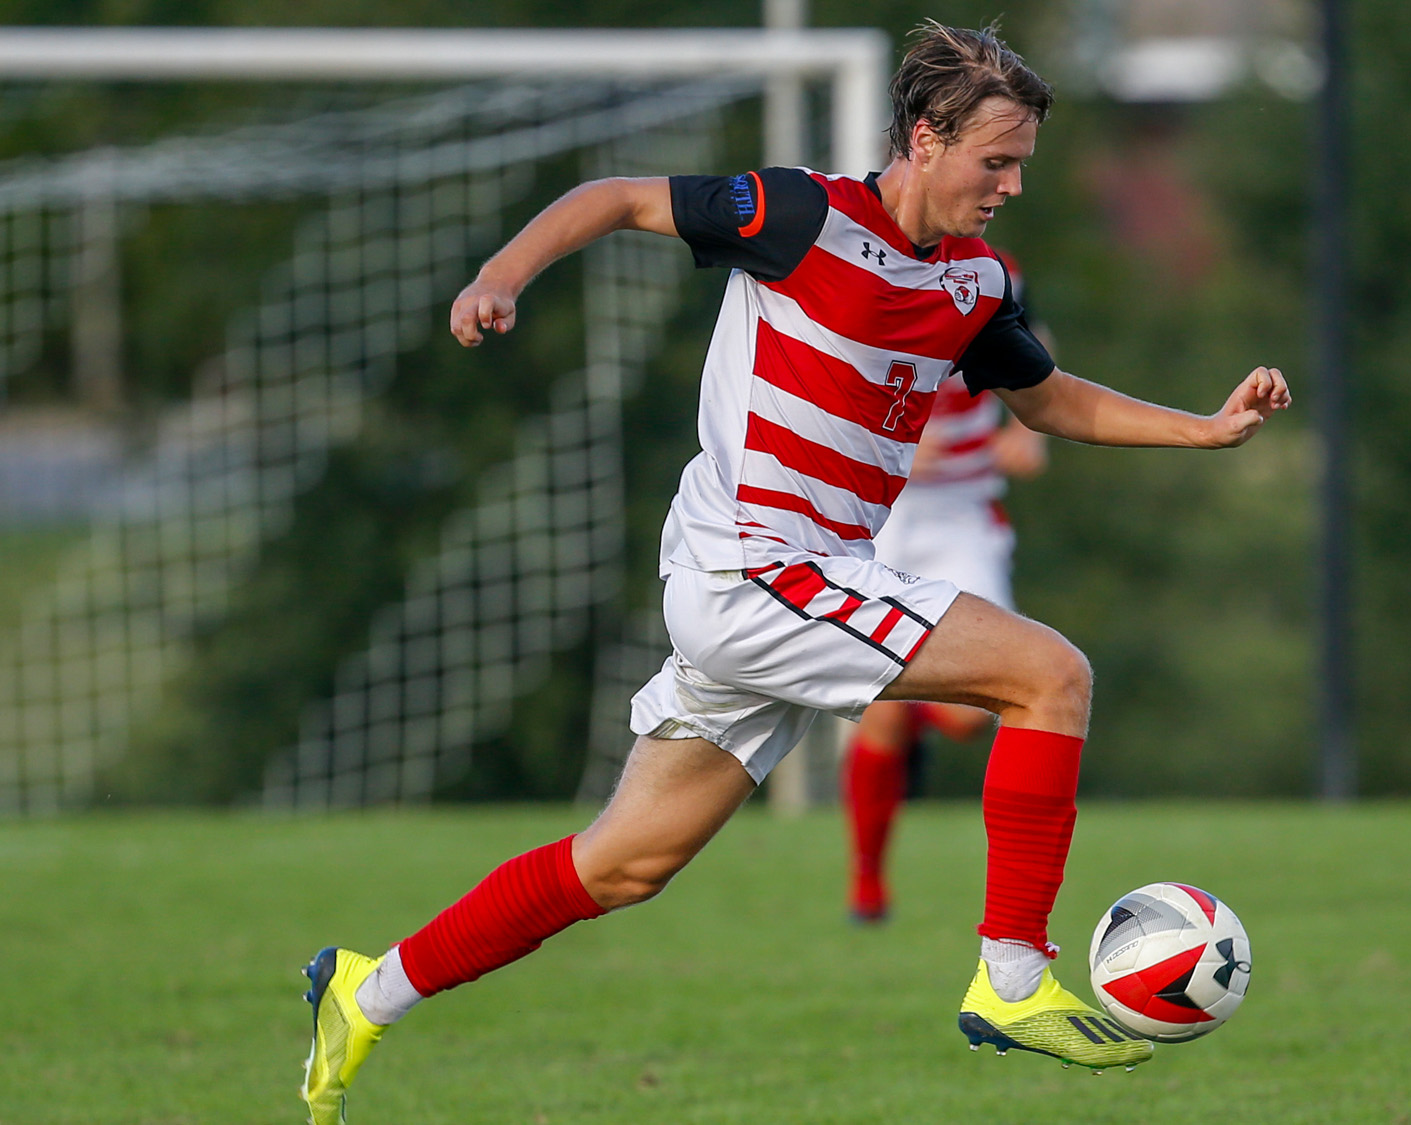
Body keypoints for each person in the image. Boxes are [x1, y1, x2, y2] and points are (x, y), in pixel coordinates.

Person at [298, 21, 1290, 1122]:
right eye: (993, 161)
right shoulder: (801, 216)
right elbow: (620, 197)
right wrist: (500, 273)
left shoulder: (975, 282)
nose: (1010, 185)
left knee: (623, 865)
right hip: (752, 569)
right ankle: (1011, 977)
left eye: (1020, 167)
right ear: (925, 137)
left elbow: (1046, 400)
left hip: (794, 582)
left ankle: (366, 989)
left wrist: (1201, 430)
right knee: (1048, 675)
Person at [842, 251, 1047, 925]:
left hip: (963, 513)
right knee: (880, 704)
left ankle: (910, 709)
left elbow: (1035, 340)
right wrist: (881, 441)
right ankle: (867, 889)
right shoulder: (854, 264)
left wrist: (1026, 428)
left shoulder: (996, 274)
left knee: (976, 706)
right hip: (880, 516)